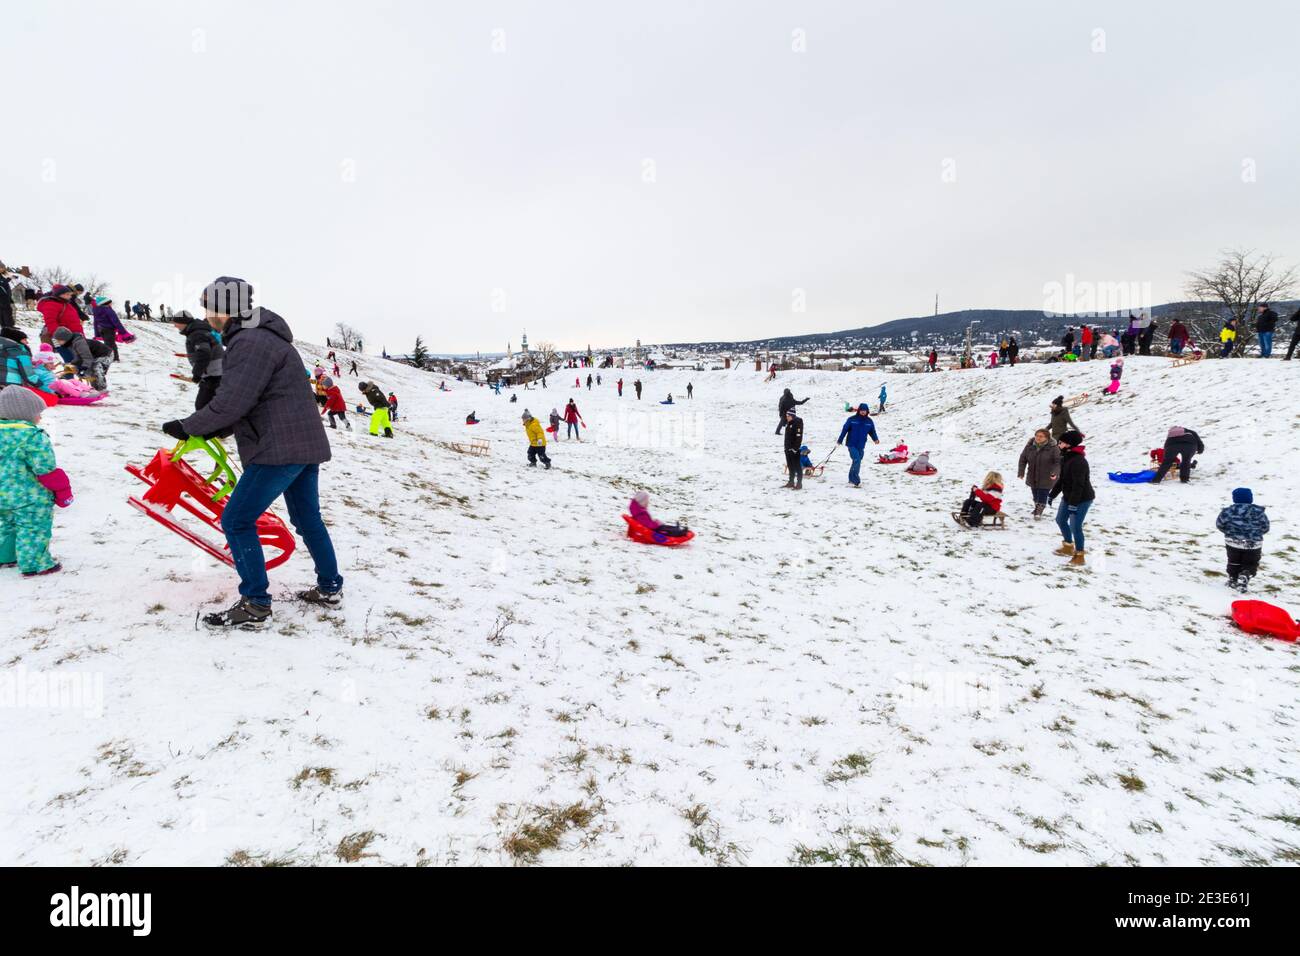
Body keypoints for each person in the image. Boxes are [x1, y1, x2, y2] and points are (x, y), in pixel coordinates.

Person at [161, 276, 342, 628]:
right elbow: (251, 400)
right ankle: (330, 587)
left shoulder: (251, 342)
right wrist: (214, 427)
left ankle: (256, 604)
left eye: (208, 304)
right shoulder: (264, 337)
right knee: (307, 520)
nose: (205, 312)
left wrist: (190, 425)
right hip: (300, 443)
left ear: (222, 308)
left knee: (237, 519)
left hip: (278, 448)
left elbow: (233, 400)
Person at [0, 387, 73, 577]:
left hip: (2, 497)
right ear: (24, 414)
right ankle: (36, 564)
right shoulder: (33, 437)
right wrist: (63, 491)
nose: (39, 418)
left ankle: (6, 556)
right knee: (32, 528)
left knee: (7, 525)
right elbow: (46, 471)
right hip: (30, 498)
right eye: (37, 413)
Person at [1048, 430, 1094, 566]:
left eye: (1060, 442)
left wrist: (1073, 504)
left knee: (1075, 526)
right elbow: (1062, 480)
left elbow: (1079, 485)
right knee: (1060, 520)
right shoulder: (1066, 458)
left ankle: (1079, 555)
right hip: (1069, 496)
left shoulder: (1079, 461)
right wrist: (1052, 494)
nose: (1058, 444)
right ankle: (1068, 546)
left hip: (1082, 498)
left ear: (1068, 444)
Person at [1216, 488, 1269, 593]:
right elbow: (1265, 527)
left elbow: (1220, 524)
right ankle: (1245, 575)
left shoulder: (1227, 511)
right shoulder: (1259, 512)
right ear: (1251, 499)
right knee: (1250, 563)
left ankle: (1233, 579)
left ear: (1234, 499)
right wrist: (1256, 534)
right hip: (1253, 544)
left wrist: (1229, 533)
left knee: (1233, 561)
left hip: (1233, 543)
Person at [173, 310, 224, 410]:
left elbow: (204, 354)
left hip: (213, 375)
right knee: (209, 405)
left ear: (184, 322)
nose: (175, 326)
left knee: (202, 406)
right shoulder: (198, 330)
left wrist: (196, 374)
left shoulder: (197, 333)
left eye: (176, 323)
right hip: (216, 373)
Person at [51, 326, 113, 391]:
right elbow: (78, 357)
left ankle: (101, 388)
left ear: (65, 339)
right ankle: (95, 388)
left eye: (59, 340)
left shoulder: (79, 343)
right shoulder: (71, 344)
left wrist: (83, 368)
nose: (57, 342)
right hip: (94, 356)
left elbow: (87, 357)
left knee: (95, 368)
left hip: (106, 355)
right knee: (89, 371)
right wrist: (73, 364)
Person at [1017, 428, 1060, 519]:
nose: (1038, 438)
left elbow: (1057, 462)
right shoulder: (1030, 446)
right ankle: (1037, 506)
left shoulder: (1053, 447)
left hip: (1047, 476)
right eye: (1036, 436)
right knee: (1035, 494)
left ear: (1047, 437)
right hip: (1032, 475)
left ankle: (1039, 511)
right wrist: (1021, 472)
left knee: (1043, 493)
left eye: (1041, 436)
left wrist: (1054, 473)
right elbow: (1023, 459)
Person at [836, 403, 880, 488]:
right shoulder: (852, 419)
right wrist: (840, 440)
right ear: (859, 410)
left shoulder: (869, 421)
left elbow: (872, 431)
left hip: (861, 445)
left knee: (857, 461)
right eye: (861, 410)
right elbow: (844, 430)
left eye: (865, 411)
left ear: (867, 411)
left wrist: (875, 439)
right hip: (851, 444)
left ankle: (851, 479)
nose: (863, 412)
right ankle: (855, 480)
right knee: (857, 460)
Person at [92, 297, 130, 362]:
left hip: (101, 329)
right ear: (106, 303)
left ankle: (109, 357)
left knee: (107, 343)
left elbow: (95, 322)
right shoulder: (108, 310)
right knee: (112, 344)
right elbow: (116, 321)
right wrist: (123, 332)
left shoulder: (96, 310)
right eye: (110, 302)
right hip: (109, 330)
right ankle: (115, 358)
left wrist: (97, 333)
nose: (111, 303)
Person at [782, 407, 804, 489]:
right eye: (786, 416)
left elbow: (799, 437)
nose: (786, 417)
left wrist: (795, 449)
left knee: (797, 466)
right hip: (787, 448)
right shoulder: (789, 423)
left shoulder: (798, 423)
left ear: (792, 416)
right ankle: (791, 481)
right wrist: (786, 448)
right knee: (790, 466)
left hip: (794, 450)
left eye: (788, 416)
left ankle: (799, 483)